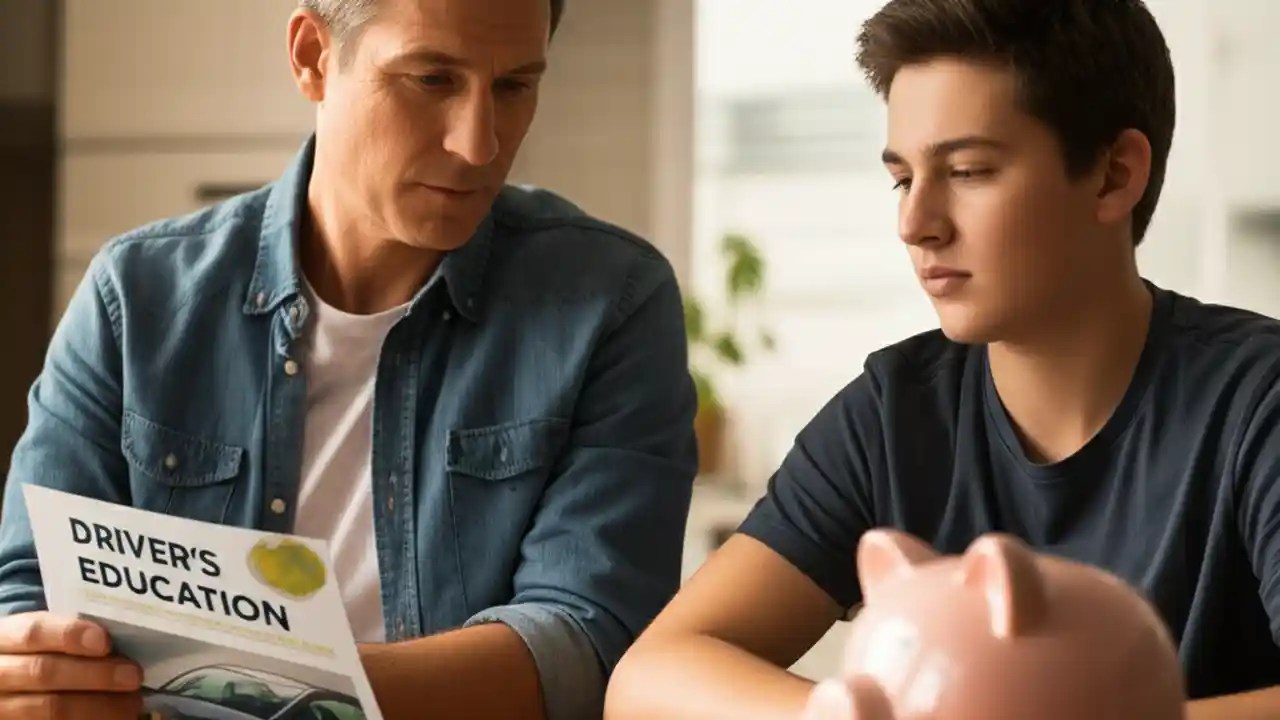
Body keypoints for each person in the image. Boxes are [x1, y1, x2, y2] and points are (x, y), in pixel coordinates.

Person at [0, 0, 698, 718]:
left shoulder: (610, 302)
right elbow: (31, 598)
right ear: (312, 55)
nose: (479, 143)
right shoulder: (136, 297)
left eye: (516, 86)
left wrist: (234, 684)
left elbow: (584, 642)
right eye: (431, 79)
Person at [606, 1, 1280, 718]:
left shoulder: (1256, 402)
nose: (915, 224)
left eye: (966, 170)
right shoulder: (892, 417)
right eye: (903, 178)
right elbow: (648, 679)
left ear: (1114, 175)